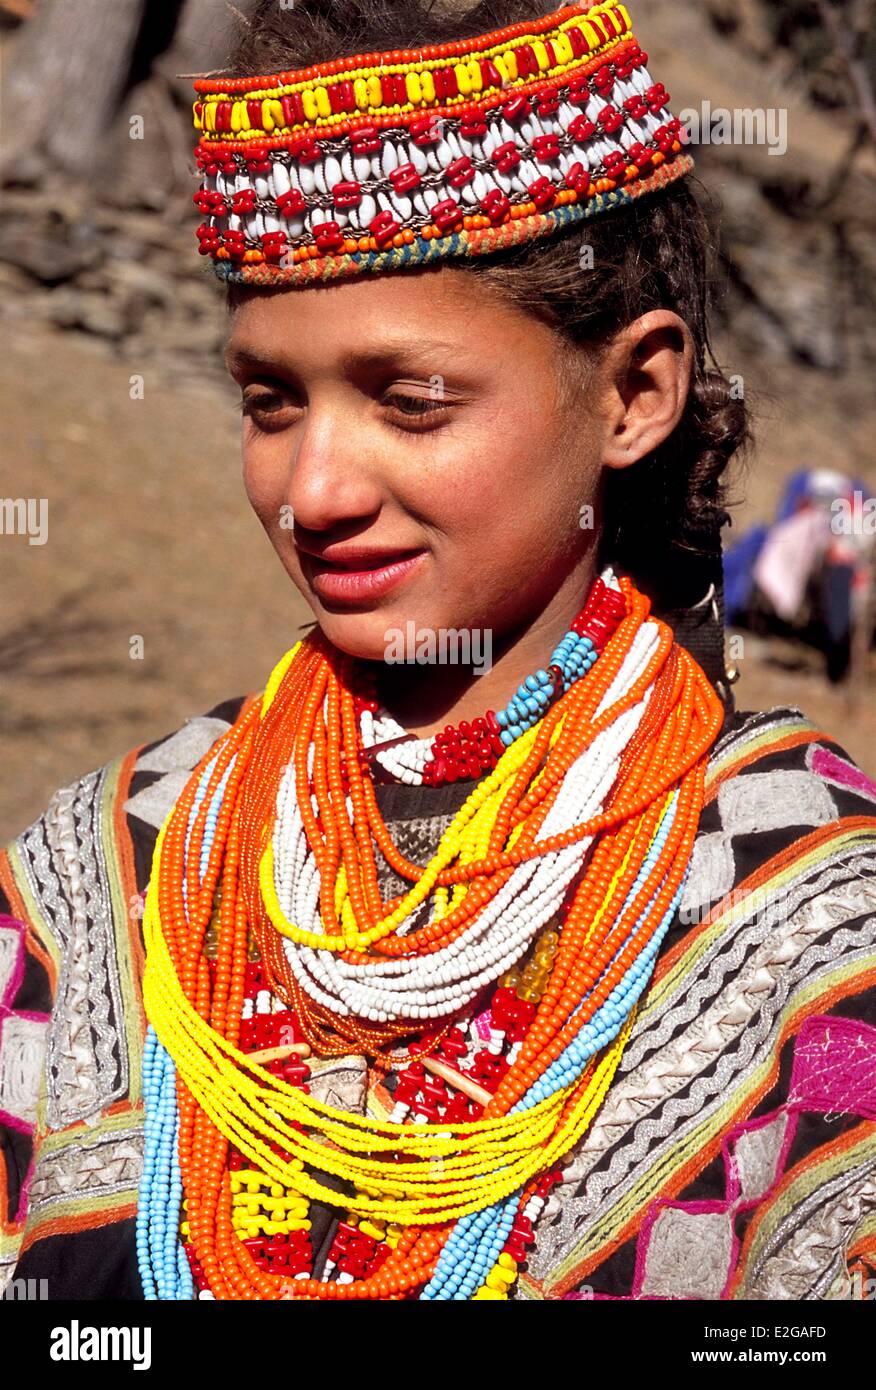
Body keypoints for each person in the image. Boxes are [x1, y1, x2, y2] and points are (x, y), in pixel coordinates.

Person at [2, 0, 874, 1304]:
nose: (318, 484)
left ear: (633, 393)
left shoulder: (801, 907)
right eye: (270, 401)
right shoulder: (108, 869)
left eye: (411, 401)